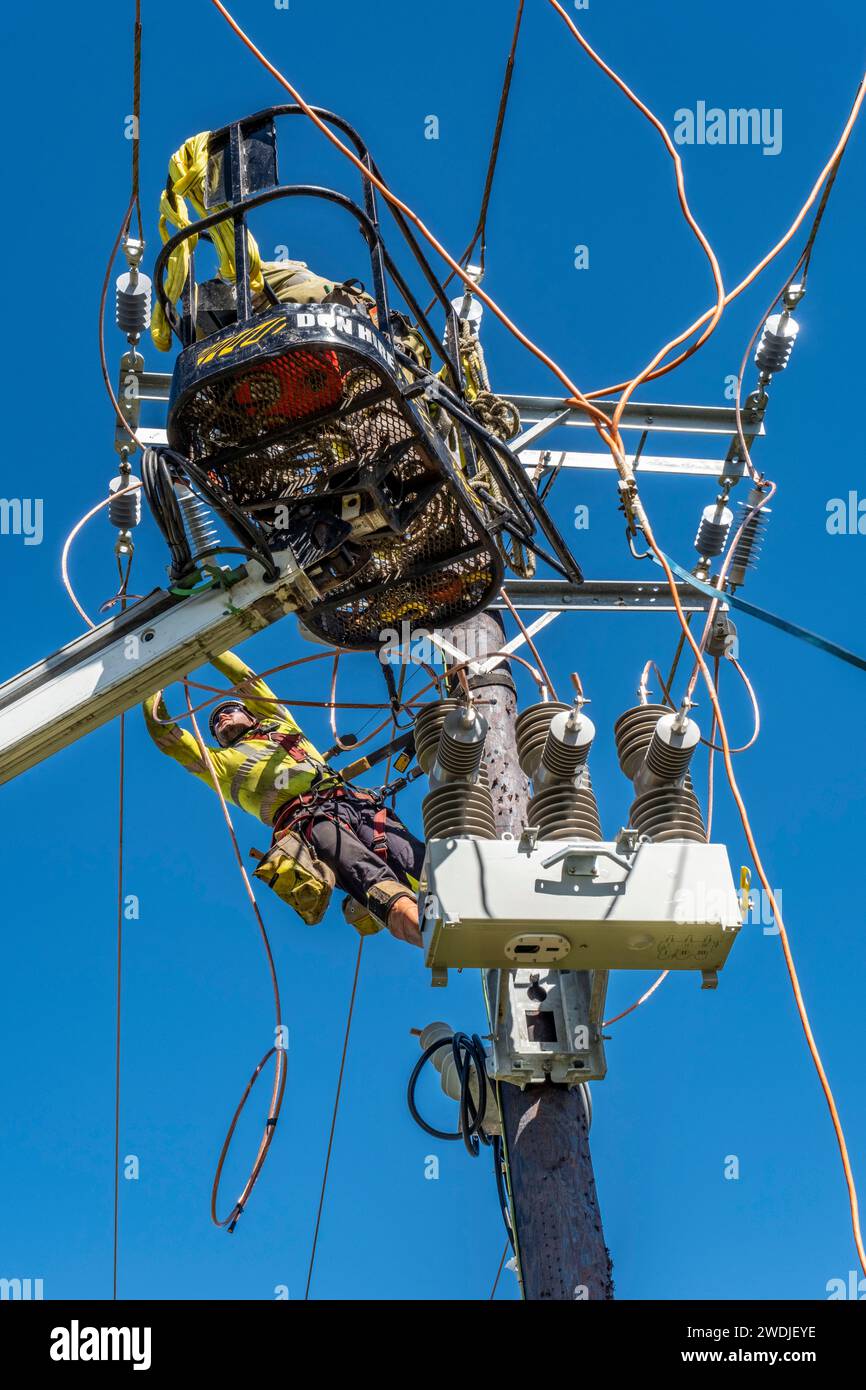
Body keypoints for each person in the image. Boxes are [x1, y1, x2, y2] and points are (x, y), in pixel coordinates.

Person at [142, 649, 424, 947]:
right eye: (215, 724)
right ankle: (427, 931)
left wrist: (206, 645)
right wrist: (155, 684)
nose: (222, 717)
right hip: (308, 822)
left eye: (229, 710)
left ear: (251, 713)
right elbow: (168, 738)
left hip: (354, 803)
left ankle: (468, 902)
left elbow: (244, 679)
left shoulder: (281, 724)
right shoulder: (221, 765)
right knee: (368, 874)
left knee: (416, 858)